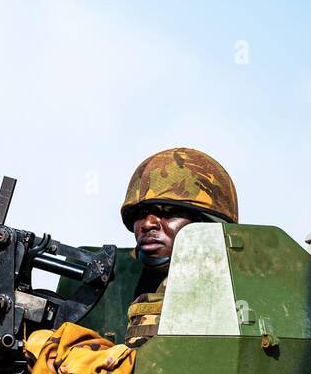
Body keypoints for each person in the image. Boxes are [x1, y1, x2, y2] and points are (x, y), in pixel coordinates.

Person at [59, 147, 239, 343]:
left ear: (208, 225)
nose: (147, 224)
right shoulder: (116, 279)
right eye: (140, 214)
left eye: (168, 213)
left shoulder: (237, 288)